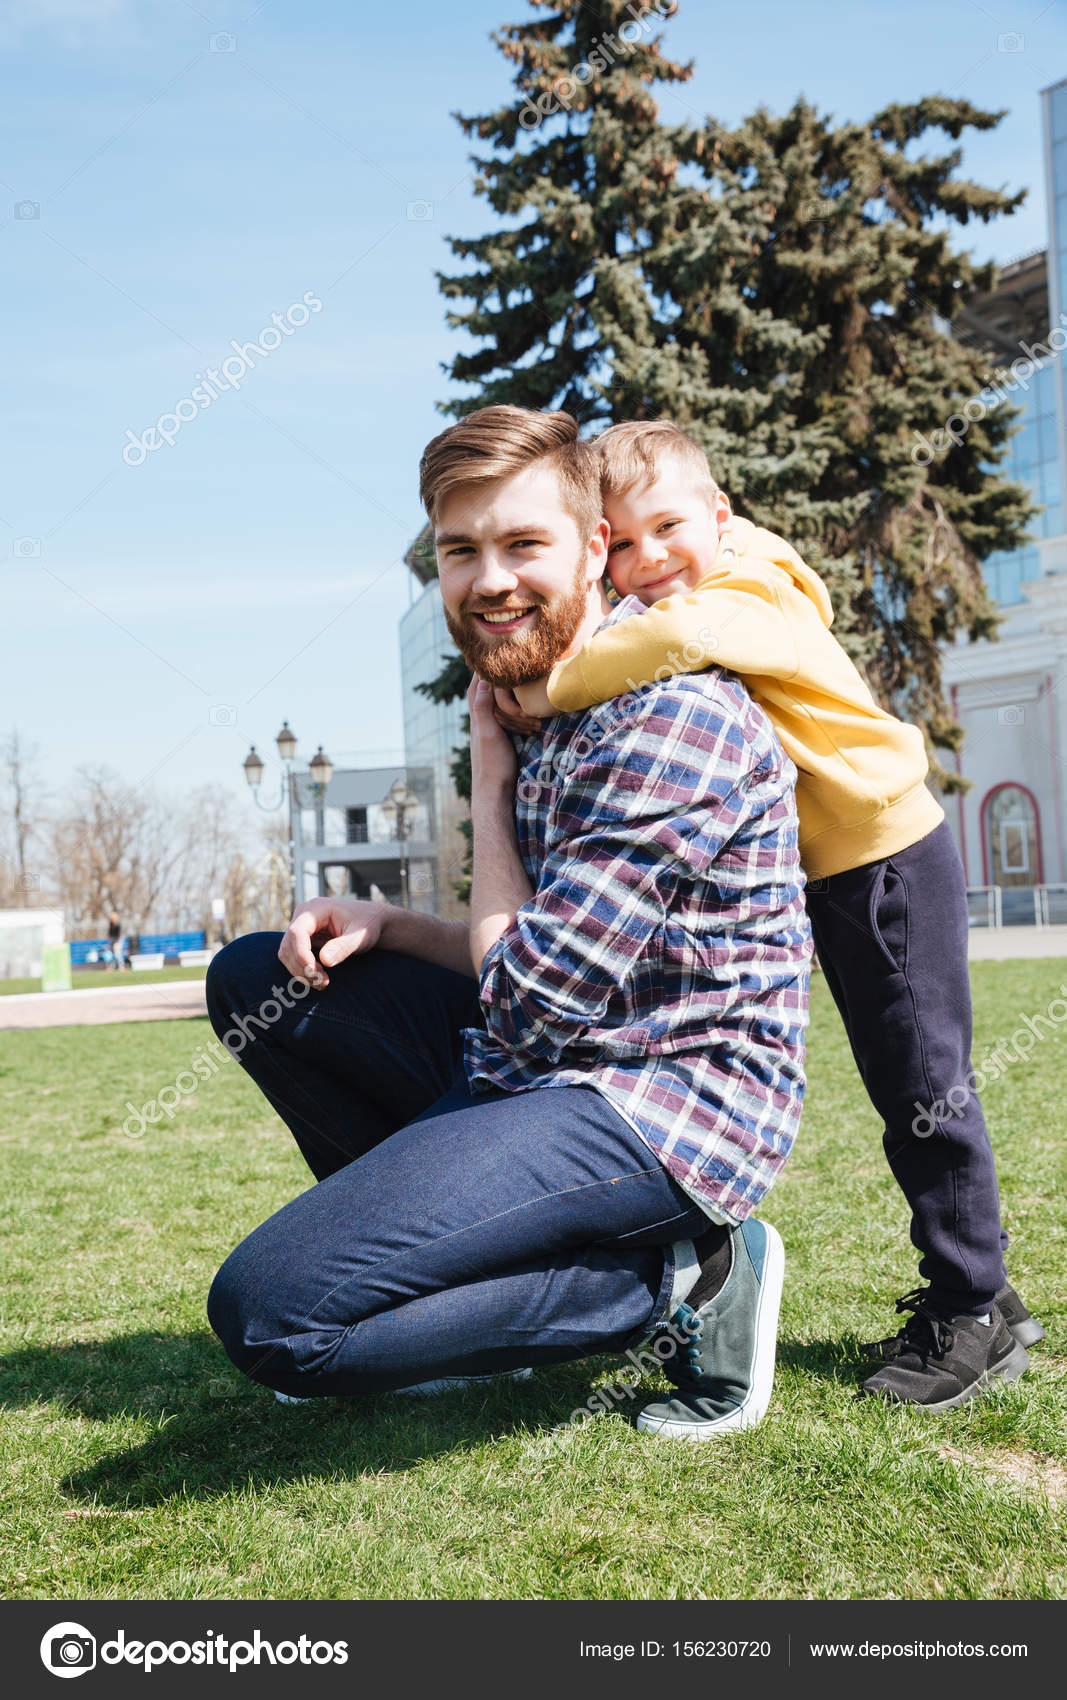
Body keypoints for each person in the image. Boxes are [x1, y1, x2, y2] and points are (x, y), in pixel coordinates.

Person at [204, 405, 811, 1439]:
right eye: (459, 550)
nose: (489, 579)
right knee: (258, 977)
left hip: (665, 1104)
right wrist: (388, 924)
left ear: (596, 553)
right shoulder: (548, 704)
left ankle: (683, 1277)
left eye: (524, 543)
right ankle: (437, 1297)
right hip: (552, 1065)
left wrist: (487, 784)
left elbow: (525, 1001)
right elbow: (529, 950)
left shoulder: (668, 715)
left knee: (273, 1319)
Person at [535, 417, 1041, 1413]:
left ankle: (973, 1312)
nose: (645, 562)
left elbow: (677, 634)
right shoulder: (731, 572)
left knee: (923, 1089)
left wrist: (548, 684)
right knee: (908, 1086)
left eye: (665, 527)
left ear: (718, 517)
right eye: (620, 543)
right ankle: (982, 1290)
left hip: (882, 860)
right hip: (847, 867)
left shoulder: (741, 591)